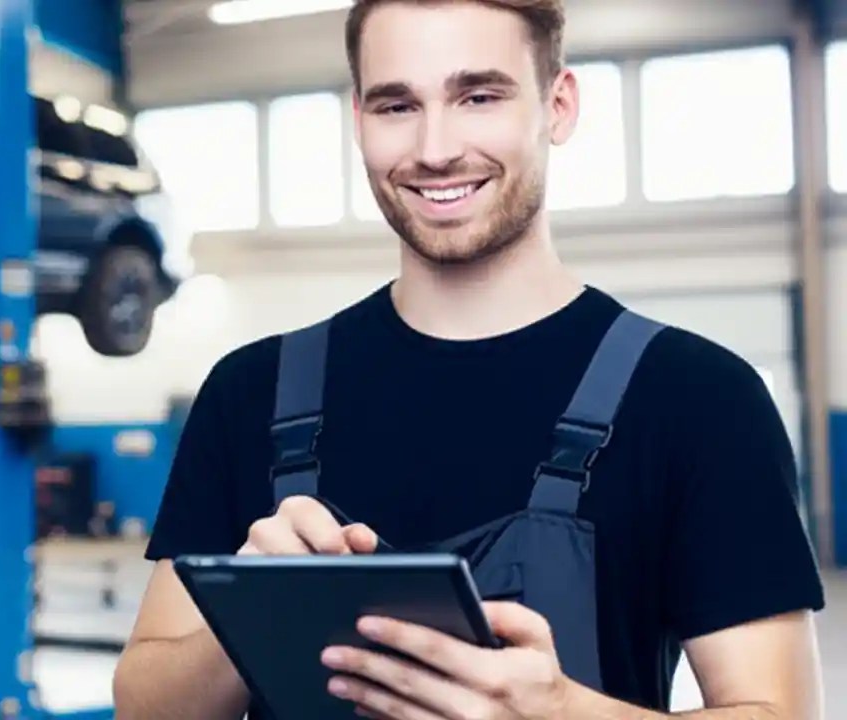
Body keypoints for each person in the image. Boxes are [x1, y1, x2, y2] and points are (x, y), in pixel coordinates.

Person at [112, 0, 827, 718]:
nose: (435, 147)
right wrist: (245, 612)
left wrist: (561, 712)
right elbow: (143, 708)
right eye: (397, 105)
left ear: (558, 105)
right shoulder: (252, 394)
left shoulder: (699, 399)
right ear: (358, 118)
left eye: (478, 96)